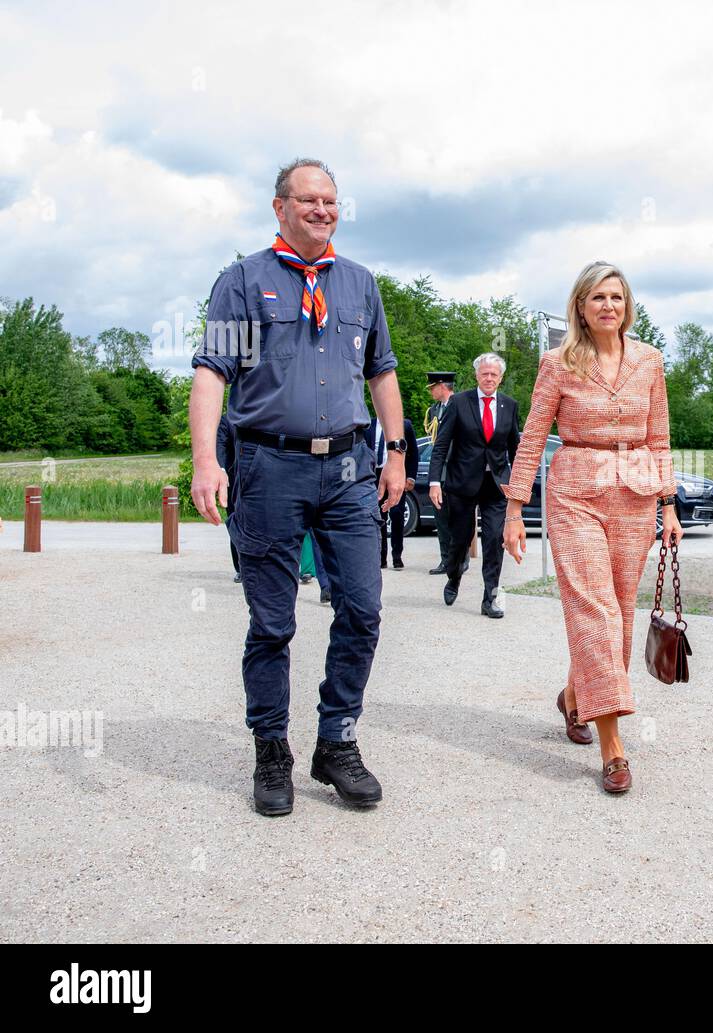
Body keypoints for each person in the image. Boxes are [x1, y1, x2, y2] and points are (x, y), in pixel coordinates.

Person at [189, 158, 408, 818]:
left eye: (331, 200)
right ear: (279, 206)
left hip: (347, 468)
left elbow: (383, 374)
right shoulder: (242, 281)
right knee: (274, 622)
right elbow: (210, 375)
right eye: (308, 199)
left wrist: (395, 454)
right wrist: (206, 460)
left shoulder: (359, 284)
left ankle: (336, 741)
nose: (322, 209)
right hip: (266, 468)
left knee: (364, 609)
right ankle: (272, 750)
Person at [503, 261, 682, 795]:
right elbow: (533, 435)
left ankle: (575, 697)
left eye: (617, 297)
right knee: (596, 611)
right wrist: (514, 509)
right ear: (580, 306)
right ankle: (613, 749)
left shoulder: (649, 361)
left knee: (619, 613)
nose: (609, 306)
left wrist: (668, 504)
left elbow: (661, 436)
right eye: (598, 297)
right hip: (575, 491)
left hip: (634, 493)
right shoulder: (557, 363)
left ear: (628, 306)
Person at [428, 352, 520, 618]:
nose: (489, 378)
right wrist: (435, 481)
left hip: (496, 486)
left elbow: (515, 448)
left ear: (500, 378)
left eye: (494, 374)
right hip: (462, 484)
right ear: (477, 376)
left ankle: (489, 598)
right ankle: (454, 576)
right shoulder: (459, 402)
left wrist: (518, 485)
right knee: (459, 541)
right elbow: (441, 445)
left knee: (493, 541)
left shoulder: (509, 406)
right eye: (484, 374)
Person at [365, 414, 418, 569]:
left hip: (396, 474)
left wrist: (411, 477)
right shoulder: (369, 425)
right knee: (378, 516)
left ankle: (397, 556)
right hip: (375, 475)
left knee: (397, 514)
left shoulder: (404, 426)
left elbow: (413, 453)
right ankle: (381, 557)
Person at [423, 371, 461, 576]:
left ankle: (460, 559)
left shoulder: (462, 404)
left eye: (432, 388)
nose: (430, 392)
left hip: (457, 469)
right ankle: (446, 559)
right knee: (441, 518)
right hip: (440, 469)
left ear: (442, 386)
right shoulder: (435, 410)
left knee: (458, 519)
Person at [215, 413, 241, 582]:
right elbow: (220, 446)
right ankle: (240, 567)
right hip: (233, 481)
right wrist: (221, 470)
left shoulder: (263, 416)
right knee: (235, 521)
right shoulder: (226, 421)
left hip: (260, 479)